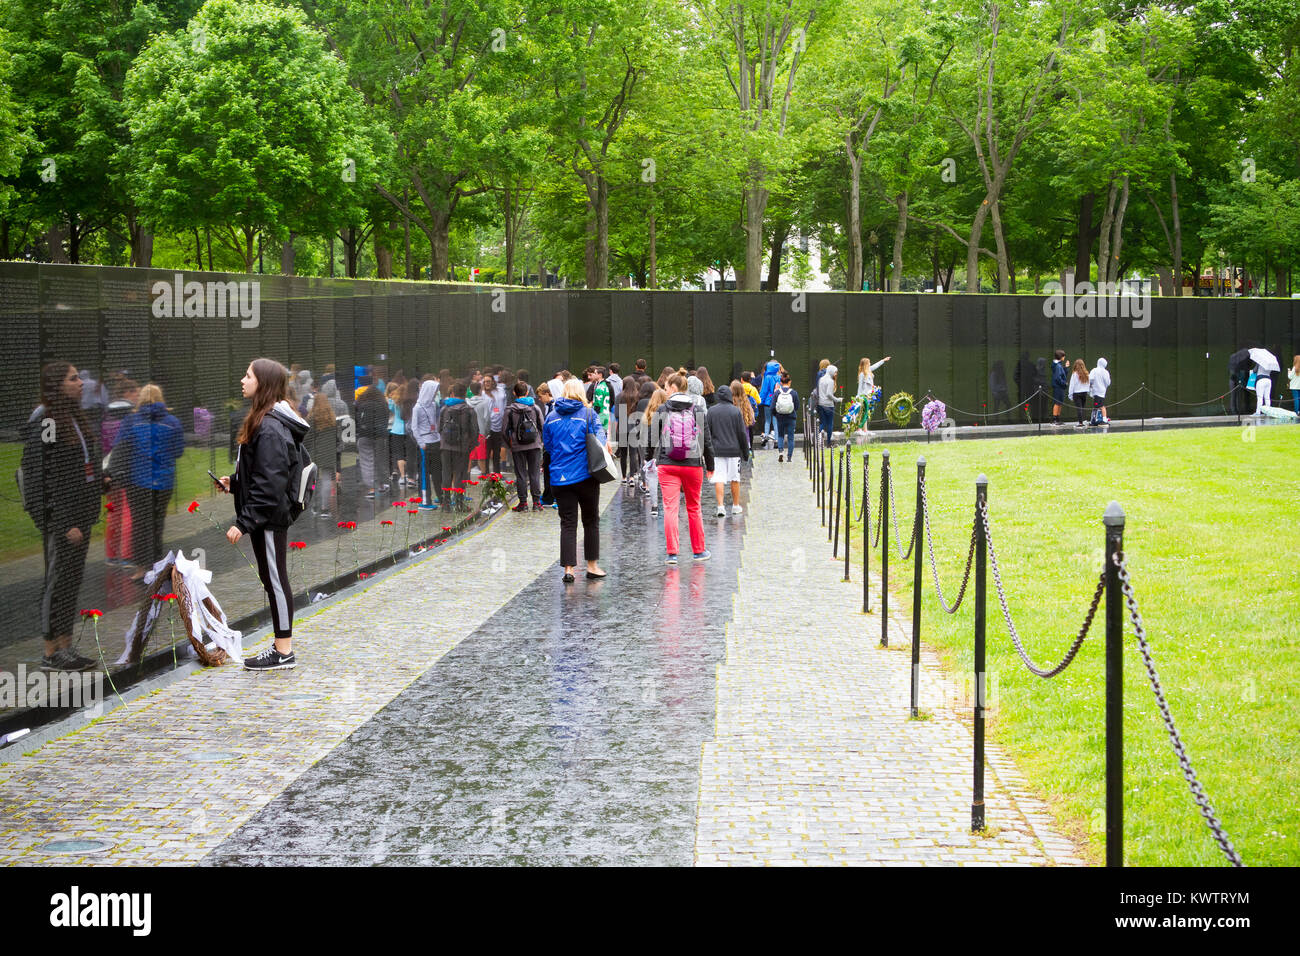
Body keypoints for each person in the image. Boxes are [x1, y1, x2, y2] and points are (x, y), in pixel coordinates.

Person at [218, 358, 308, 671]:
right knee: (272, 580)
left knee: (276, 581)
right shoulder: (264, 421)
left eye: (248, 376)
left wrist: (243, 523)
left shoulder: (269, 426)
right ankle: (282, 649)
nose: (242, 381)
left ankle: (284, 652)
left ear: (264, 384)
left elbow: (270, 484)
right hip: (266, 516)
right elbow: (261, 474)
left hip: (268, 519)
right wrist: (235, 484)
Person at [22, 362, 105, 671]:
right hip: (63, 523)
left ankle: (66, 647)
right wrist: (60, 523)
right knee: (56, 584)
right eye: (73, 379)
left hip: (80, 519)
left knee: (71, 582)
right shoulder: (45, 421)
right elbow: (40, 480)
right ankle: (50, 652)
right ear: (57, 385)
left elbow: (78, 466)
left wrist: (100, 480)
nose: (81, 383)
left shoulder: (72, 418)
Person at [542, 379, 608, 582]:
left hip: (560, 478)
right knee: (590, 521)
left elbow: (549, 446)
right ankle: (592, 566)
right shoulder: (589, 414)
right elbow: (600, 441)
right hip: (586, 476)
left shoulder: (551, 416)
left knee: (568, 523)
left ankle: (568, 569)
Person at [117, 384, 185, 577]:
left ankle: (140, 568)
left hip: (138, 480)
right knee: (157, 524)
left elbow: (122, 446)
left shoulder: (131, 421)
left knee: (139, 524)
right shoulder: (172, 422)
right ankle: (156, 565)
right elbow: (178, 451)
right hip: (163, 482)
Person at [652, 373, 715, 563]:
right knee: (694, 507)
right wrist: (710, 465)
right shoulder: (697, 410)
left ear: (672, 387)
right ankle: (698, 551)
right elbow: (707, 441)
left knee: (670, 508)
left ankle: (672, 553)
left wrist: (652, 459)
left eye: (666, 385)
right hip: (692, 465)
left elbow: (651, 439)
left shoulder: (662, 409)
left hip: (667, 464)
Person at [708, 385, 749, 516]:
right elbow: (742, 433)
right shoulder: (735, 411)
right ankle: (735, 505)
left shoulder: (712, 411)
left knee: (719, 478)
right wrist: (745, 451)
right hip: (733, 450)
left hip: (717, 450)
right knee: (735, 478)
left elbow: (708, 432)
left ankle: (721, 506)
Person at [505, 380, 545, 512]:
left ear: (514, 393)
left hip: (518, 446)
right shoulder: (535, 408)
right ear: (527, 392)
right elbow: (542, 426)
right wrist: (539, 440)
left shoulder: (510, 410)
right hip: (534, 445)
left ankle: (523, 503)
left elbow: (504, 430)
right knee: (534, 474)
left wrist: (510, 443)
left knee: (521, 474)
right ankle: (537, 503)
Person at [439, 381, 479, 510]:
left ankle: (445, 503)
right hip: (462, 448)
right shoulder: (469, 410)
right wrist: (470, 446)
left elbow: (440, 428)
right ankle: (459, 504)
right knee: (460, 475)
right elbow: (475, 431)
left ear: (453, 393)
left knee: (446, 474)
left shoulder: (444, 409)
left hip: (445, 447)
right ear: (464, 394)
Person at [306, 385, 341, 518]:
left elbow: (307, 437)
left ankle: (315, 506)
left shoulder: (311, 418)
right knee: (326, 480)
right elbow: (336, 437)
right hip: (328, 452)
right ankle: (325, 509)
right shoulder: (331, 418)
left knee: (313, 481)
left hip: (315, 452)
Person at [409, 378, 442, 511]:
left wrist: (438, 436)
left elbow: (435, 421)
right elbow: (414, 427)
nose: (435, 394)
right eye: (434, 391)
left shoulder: (433, 405)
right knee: (424, 473)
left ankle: (440, 496)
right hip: (425, 444)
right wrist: (421, 442)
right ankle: (424, 500)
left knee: (437, 472)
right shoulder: (417, 408)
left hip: (435, 441)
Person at [354, 384, 389, 499]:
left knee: (367, 462)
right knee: (380, 460)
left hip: (364, 436)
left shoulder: (360, 404)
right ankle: (382, 485)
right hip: (380, 436)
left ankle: (371, 488)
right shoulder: (383, 404)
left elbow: (356, 421)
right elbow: (386, 419)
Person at [854, 356, 891, 432]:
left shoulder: (869, 370)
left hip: (869, 396)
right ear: (865, 364)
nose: (870, 364)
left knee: (866, 413)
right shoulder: (862, 374)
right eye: (869, 363)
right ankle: (859, 429)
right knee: (861, 412)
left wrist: (883, 360)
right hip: (863, 396)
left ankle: (865, 430)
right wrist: (858, 397)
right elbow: (860, 387)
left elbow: (875, 366)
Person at [772, 372, 800, 462]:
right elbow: (797, 406)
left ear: (780, 382)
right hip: (791, 417)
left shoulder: (777, 393)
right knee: (791, 437)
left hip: (780, 417)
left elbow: (772, 407)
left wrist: (776, 415)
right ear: (789, 382)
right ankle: (789, 457)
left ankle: (780, 452)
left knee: (780, 435)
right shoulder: (794, 393)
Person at [757, 357, 782, 447]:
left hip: (767, 402)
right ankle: (776, 440)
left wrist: (760, 400)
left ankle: (765, 437)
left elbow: (764, 391)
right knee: (776, 421)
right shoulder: (779, 377)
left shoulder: (767, 377)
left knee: (767, 420)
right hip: (776, 402)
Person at [816, 362, 841, 443]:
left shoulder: (821, 379)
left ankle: (815, 437)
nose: (836, 374)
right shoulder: (830, 381)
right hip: (829, 405)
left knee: (822, 423)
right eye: (835, 372)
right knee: (830, 424)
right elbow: (829, 394)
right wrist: (837, 399)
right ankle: (829, 442)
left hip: (820, 404)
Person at [1089, 357, 1112, 425]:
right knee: (1098, 405)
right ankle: (1095, 420)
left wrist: (1090, 386)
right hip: (1102, 391)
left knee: (1099, 406)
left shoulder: (1094, 370)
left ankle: (1102, 420)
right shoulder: (1106, 372)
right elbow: (1108, 382)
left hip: (1096, 391)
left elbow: (1090, 379)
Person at [1068, 359, 1090, 427]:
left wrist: (1070, 394)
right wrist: (1088, 391)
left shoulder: (1074, 374)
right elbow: (1088, 384)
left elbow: (1072, 385)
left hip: (1076, 393)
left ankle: (1080, 423)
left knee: (1079, 409)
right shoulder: (1086, 373)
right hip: (1084, 393)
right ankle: (1083, 421)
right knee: (1082, 408)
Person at [1051, 350, 1069, 425]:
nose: (1064, 357)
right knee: (1057, 403)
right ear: (1061, 357)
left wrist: (1066, 367)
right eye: (1063, 356)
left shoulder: (1058, 365)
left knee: (1059, 403)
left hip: (1059, 387)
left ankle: (1057, 418)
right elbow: (1057, 378)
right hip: (1058, 387)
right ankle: (1055, 419)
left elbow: (1061, 374)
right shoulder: (1058, 366)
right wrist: (1064, 383)